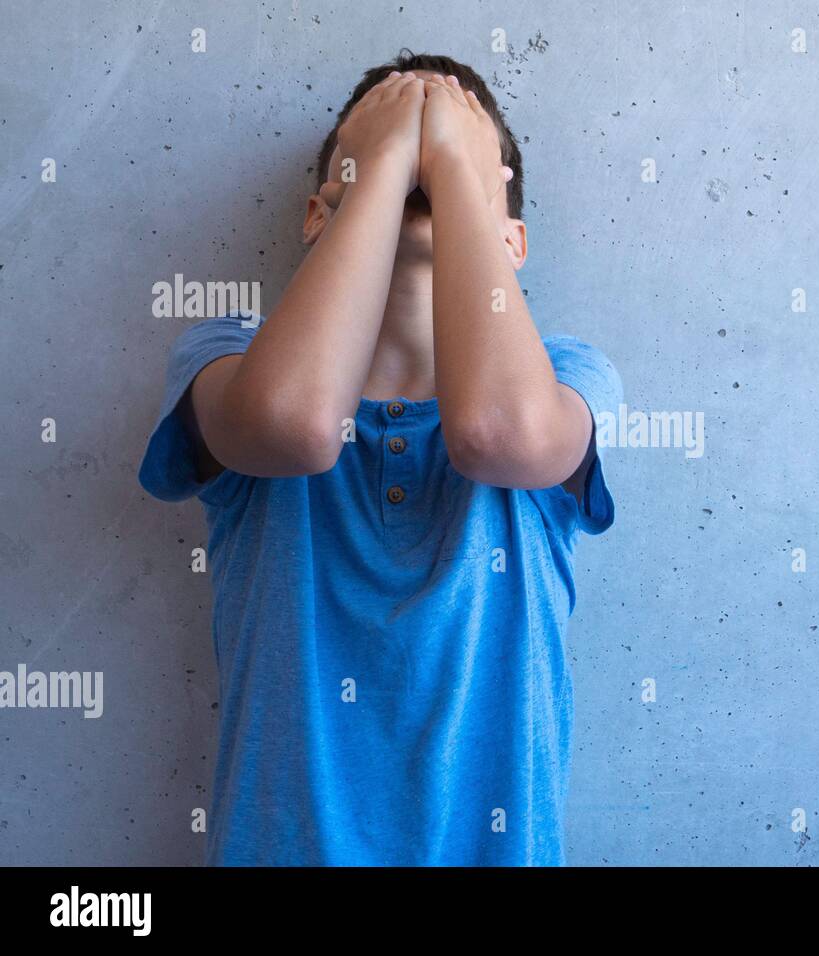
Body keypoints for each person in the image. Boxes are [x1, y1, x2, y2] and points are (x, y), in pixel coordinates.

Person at [137, 51, 623, 865]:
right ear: (317, 217)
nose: (422, 175)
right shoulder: (228, 356)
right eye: (391, 166)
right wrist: (395, 167)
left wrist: (444, 175)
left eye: (455, 171)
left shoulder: (568, 378)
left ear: (512, 236)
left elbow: (498, 435)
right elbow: (292, 426)